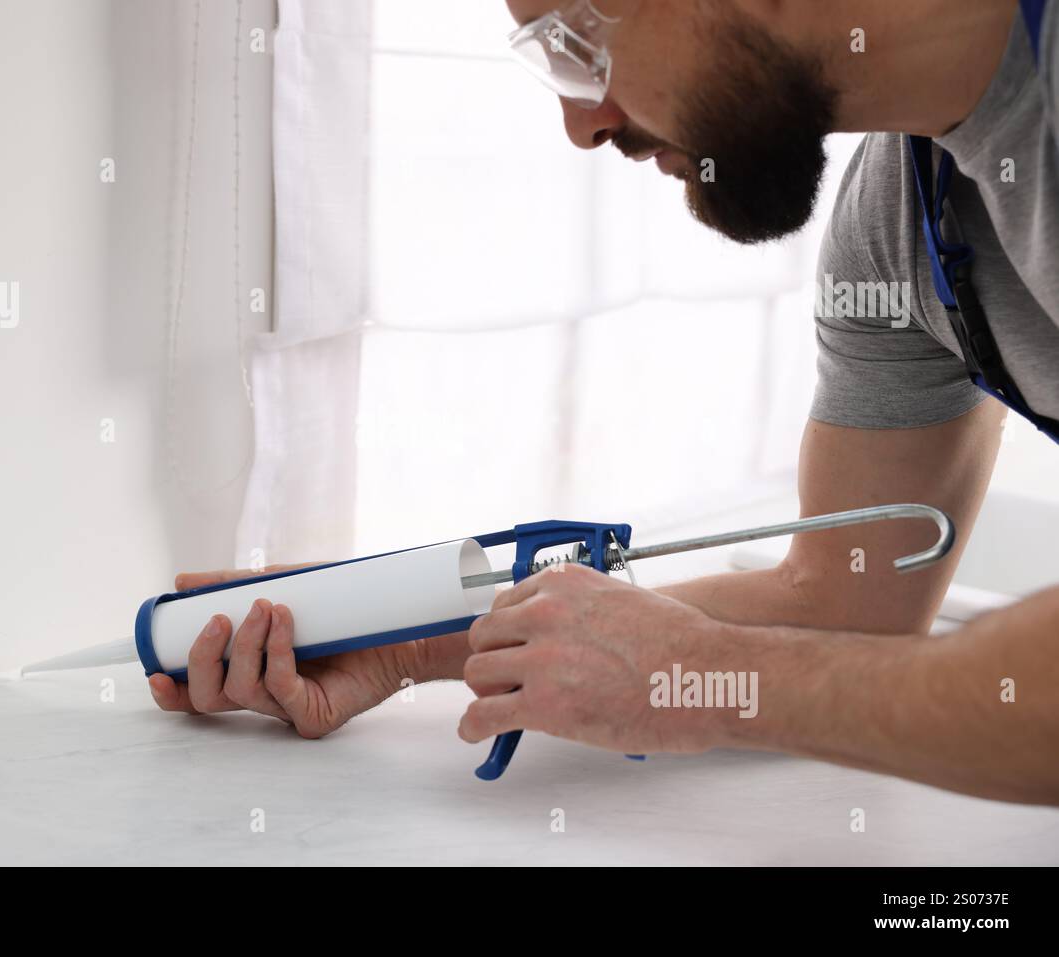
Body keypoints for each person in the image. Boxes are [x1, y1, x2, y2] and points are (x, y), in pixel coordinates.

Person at [150, 0, 1059, 805]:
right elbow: (846, 603)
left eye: (574, 40)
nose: (581, 125)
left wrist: (703, 678)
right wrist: (403, 643)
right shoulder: (900, 231)